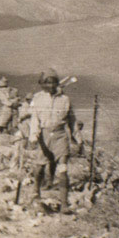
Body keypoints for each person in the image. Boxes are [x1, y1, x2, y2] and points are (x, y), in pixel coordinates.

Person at [27, 69, 79, 213]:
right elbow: (35, 119)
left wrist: (77, 139)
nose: (50, 86)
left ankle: (64, 203)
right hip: (44, 136)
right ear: (43, 84)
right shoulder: (38, 98)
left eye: (53, 82)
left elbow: (72, 121)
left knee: (63, 170)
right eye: (47, 83)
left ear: (57, 83)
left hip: (60, 136)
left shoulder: (65, 99)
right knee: (39, 168)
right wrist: (33, 136)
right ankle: (35, 193)